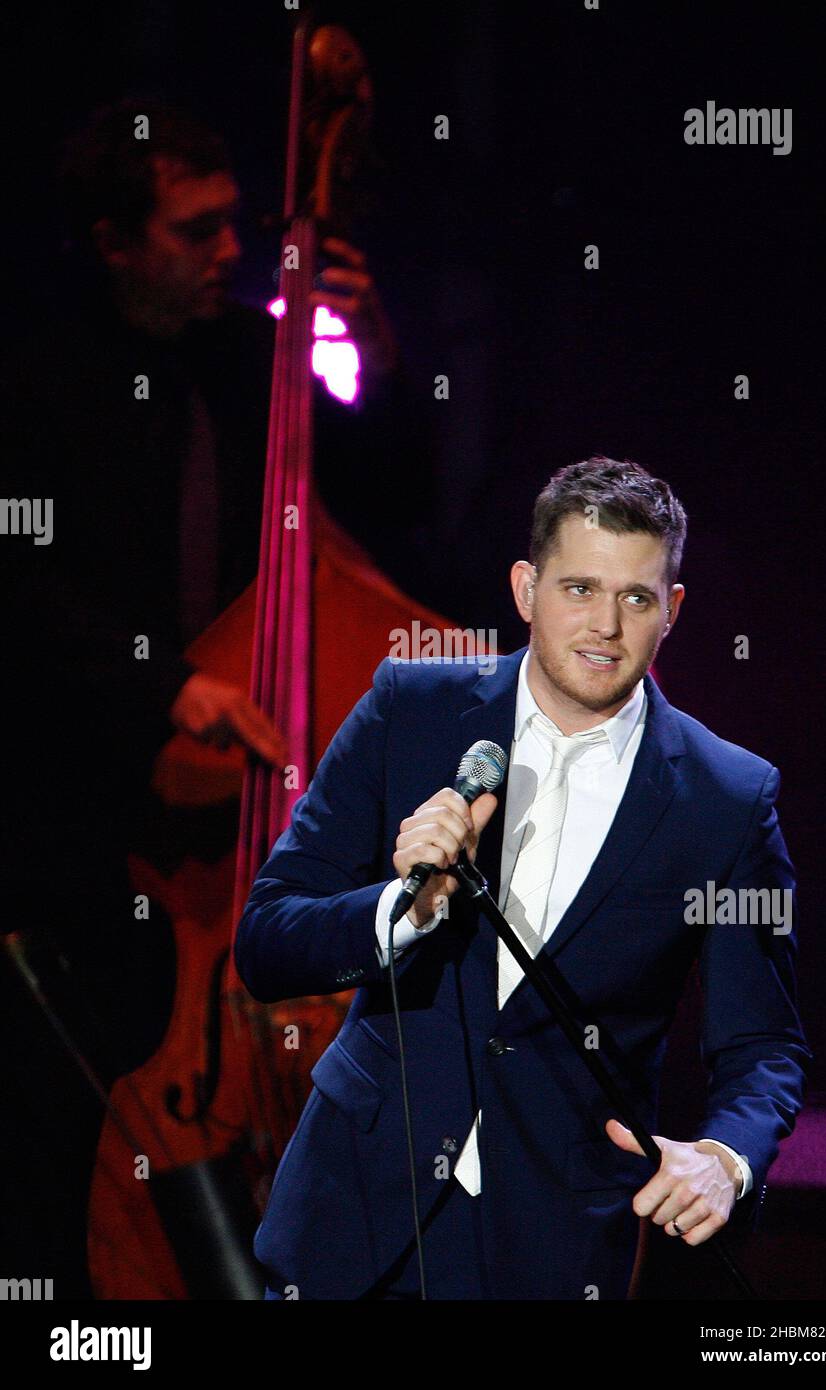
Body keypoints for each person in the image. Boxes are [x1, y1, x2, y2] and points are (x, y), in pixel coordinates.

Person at [0, 97, 409, 1296]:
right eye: (195, 231)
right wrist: (167, 684)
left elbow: (395, 503)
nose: (232, 254)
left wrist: (374, 356)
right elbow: (22, 585)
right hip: (88, 815)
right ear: (115, 240)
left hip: (240, 814)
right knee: (71, 1132)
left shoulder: (248, 360)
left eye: (237, 223)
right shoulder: (35, 374)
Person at [235, 454, 812, 1301]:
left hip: (551, 1244)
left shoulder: (727, 797)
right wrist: (405, 909)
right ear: (524, 589)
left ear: (673, 611)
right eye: (579, 588)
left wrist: (726, 1161)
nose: (606, 627)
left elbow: (764, 1044)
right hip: (353, 1215)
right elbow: (266, 941)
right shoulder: (411, 710)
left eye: (637, 598)